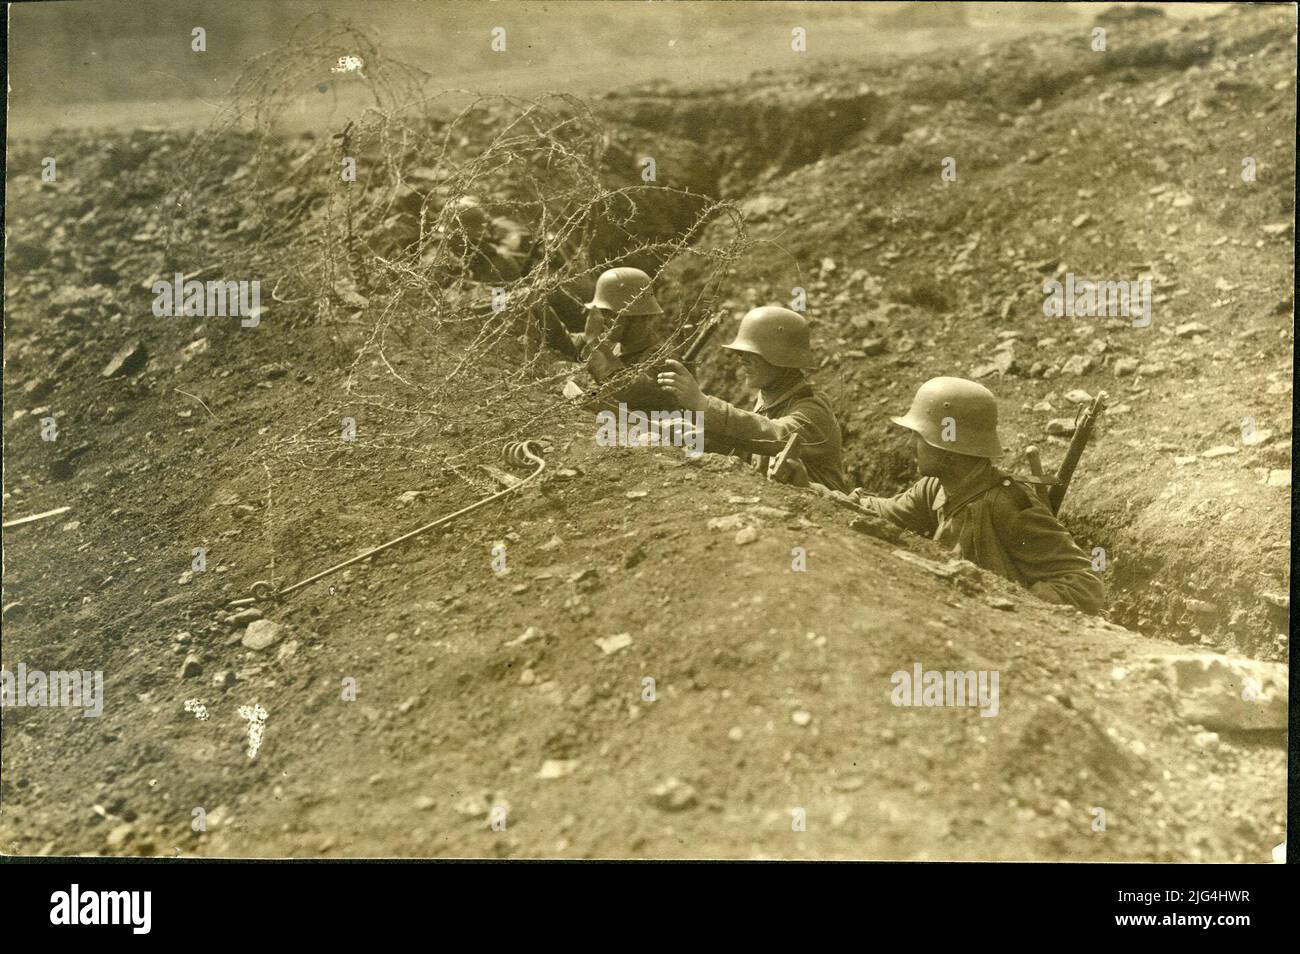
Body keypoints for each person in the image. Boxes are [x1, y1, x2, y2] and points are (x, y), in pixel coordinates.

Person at [818, 377, 1105, 614]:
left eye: (920, 435)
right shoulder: (935, 488)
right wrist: (813, 489)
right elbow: (884, 512)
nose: (912, 443)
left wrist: (1027, 604)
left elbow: (1086, 582)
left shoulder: (1007, 504)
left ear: (946, 444)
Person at [655, 306, 848, 492]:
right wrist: (702, 437)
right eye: (740, 352)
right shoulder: (770, 398)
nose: (741, 359)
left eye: (752, 353)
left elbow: (772, 435)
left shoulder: (812, 411)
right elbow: (750, 447)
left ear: (782, 359)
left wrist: (703, 404)